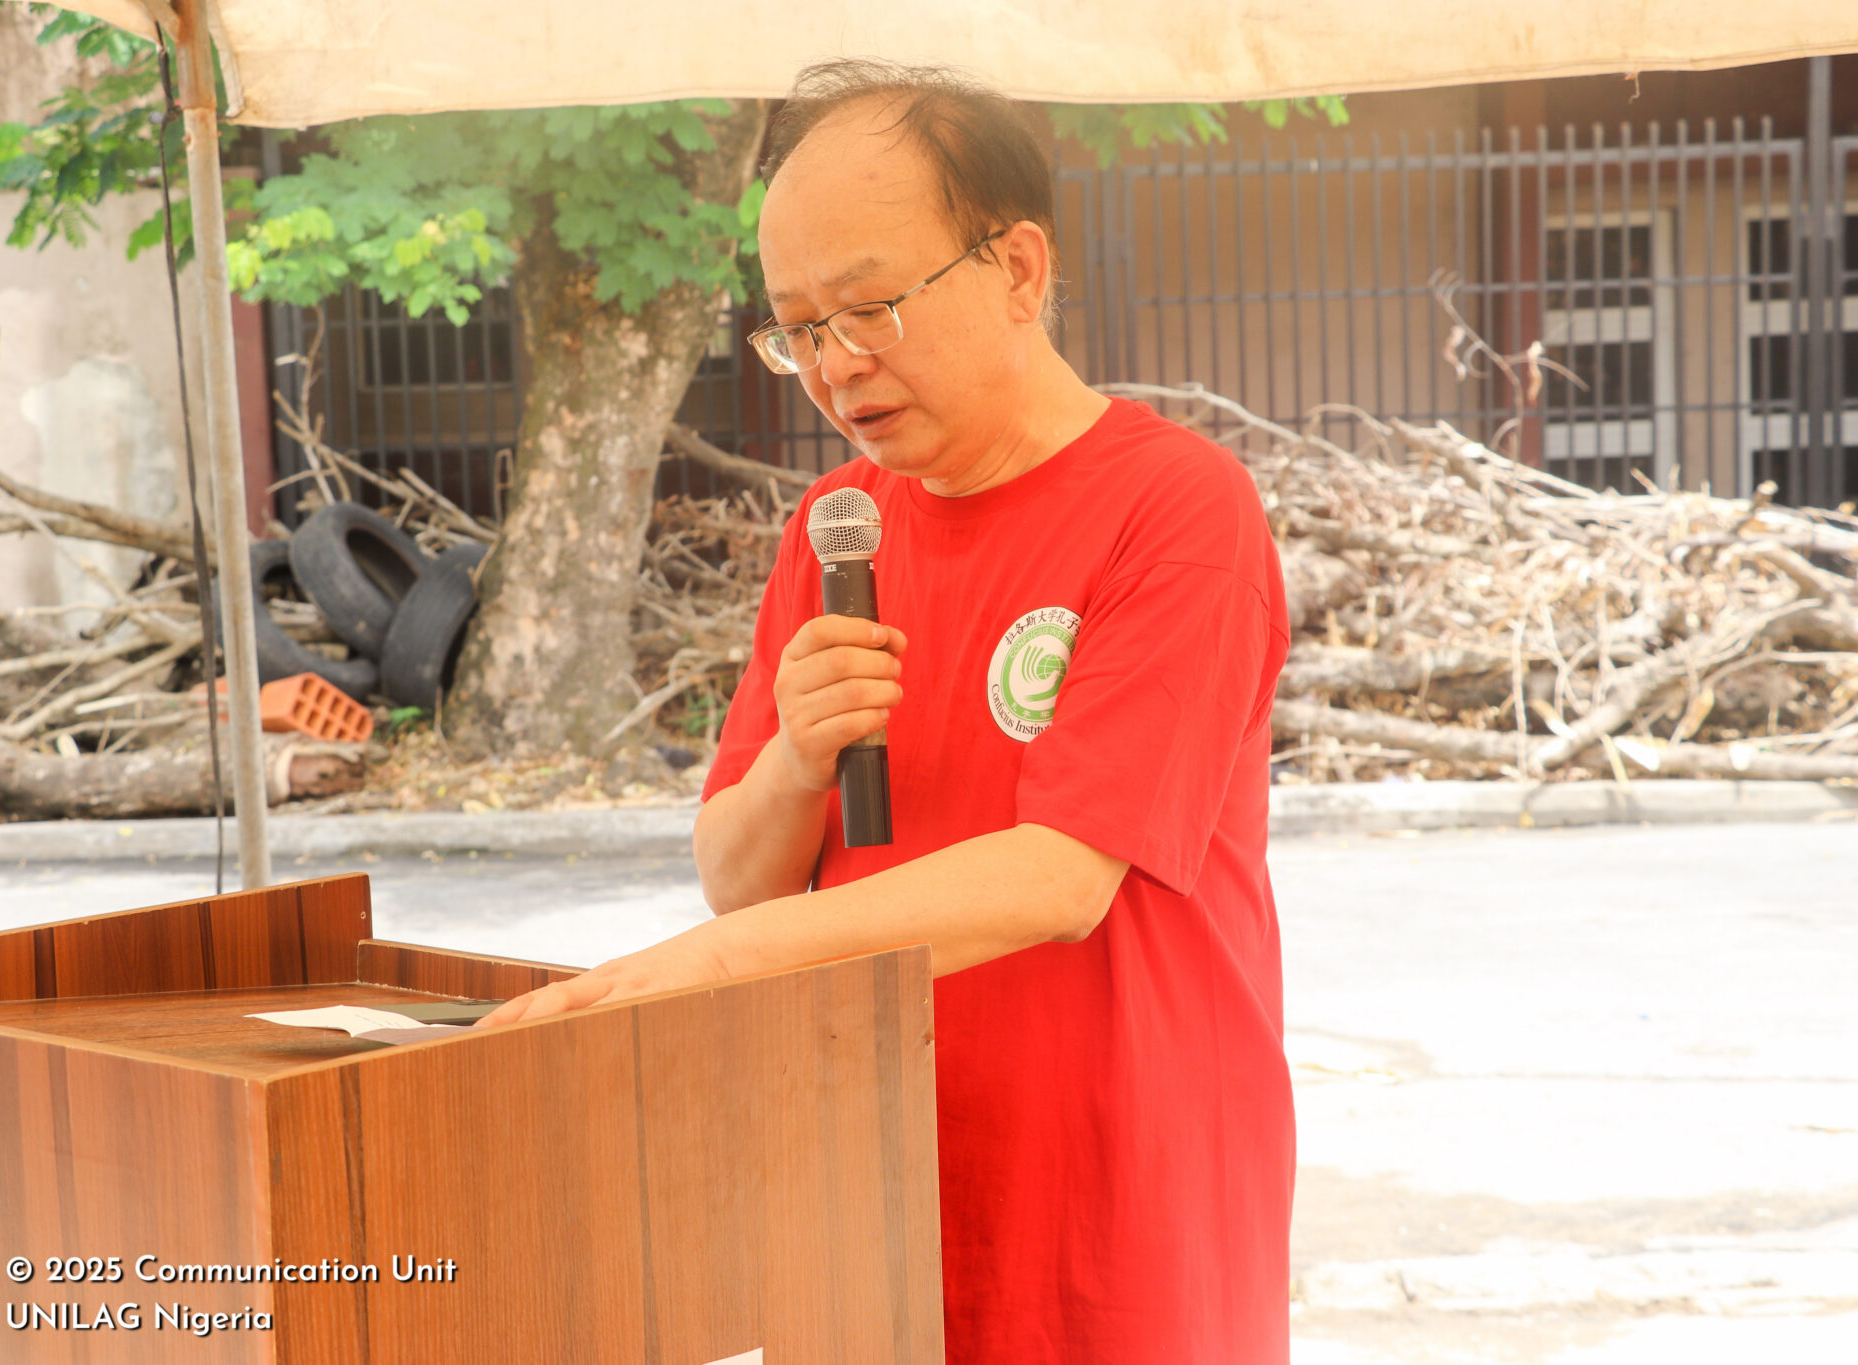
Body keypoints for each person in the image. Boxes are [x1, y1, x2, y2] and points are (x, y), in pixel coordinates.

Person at [479, 60, 1294, 1363]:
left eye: (869, 309)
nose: (831, 366)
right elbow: (739, 874)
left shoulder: (1175, 508)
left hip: (1114, 1190)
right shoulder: (832, 529)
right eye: (797, 328)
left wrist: (706, 975)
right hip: (864, 1167)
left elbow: (1059, 877)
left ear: (1019, 271)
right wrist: (800, 758)